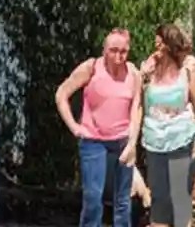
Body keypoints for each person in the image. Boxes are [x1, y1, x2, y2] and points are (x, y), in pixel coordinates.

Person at [123, 24, 195, 227]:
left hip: (181, 141)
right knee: (159, 204)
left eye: (161, 42)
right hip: (154, 143)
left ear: (170, 45)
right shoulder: (149, 70)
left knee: (180, 204)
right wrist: (131, 142)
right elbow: (138, 106)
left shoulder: (188, 70)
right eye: (156, 42)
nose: (156, 46)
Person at [56, 29, 140, 227]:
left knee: (123, 201)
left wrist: (132, 143)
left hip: (122, 141)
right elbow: (61, 94)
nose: (118, 57)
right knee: (93, 199)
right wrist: (74, 127)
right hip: (94, 141)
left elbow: (137, 108)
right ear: (104, 50)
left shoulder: (133, 74)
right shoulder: (91, 68)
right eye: (113, 51)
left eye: (124, 51)